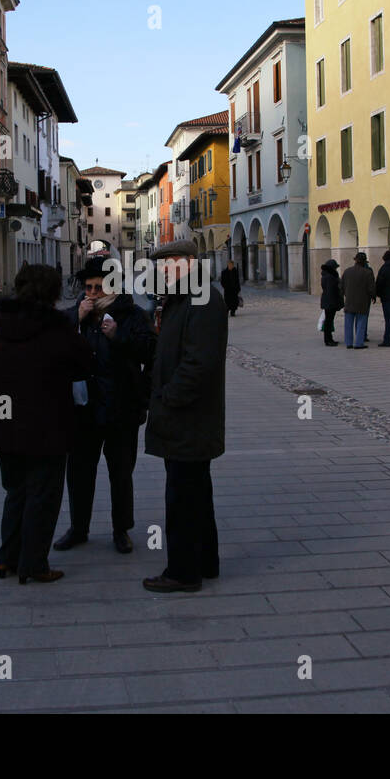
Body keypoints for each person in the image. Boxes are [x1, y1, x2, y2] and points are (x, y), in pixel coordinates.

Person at [0, 264, 93, 584]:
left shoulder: (3, 322)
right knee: (42, 495)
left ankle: (8, 559)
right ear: (52, 292)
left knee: (15, 492)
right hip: (47, 424)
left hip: (7, 421)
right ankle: (34, 563)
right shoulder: (56, 327)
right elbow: (83, 365)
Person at [55, 257, 157, 556]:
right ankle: (78, 528)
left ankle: (121, 529)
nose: (93, 293)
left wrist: (118, 336)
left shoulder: (131, 314)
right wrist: (76, 319)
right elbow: (53, 349)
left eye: (99, 287)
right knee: (78, 472)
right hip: (82, 410)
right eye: (88, 288)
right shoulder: (73, 315)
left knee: (121, 473)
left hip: (121, 407)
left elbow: (151, 351)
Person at [143, 240, 227, 593]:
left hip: (188, 417)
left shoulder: (203, 300)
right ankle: (205, 562)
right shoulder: (183, 299)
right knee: (195, 493)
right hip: (186, 417)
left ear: (189, 263)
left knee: (182, 497)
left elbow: (199, 363)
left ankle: (183, 572)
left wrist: (168, 398)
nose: (162, 270)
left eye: (168, 264)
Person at [340, 252, 376, 349]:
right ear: (364, 262)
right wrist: (373, 296)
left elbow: (341, 287)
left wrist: (344, 295)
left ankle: (348, 343)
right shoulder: (367, 273)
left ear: (355, 260)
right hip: (362, 302)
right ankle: (359, 343)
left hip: (349, 301)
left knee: (348, 323)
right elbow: (371, 288)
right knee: (361, 323)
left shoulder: (347, 271)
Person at [319, 259, 342, 347]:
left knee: (329, 321)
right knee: (328, 321)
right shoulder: (330, 277)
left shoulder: (327, 275)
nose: (336, 269)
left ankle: (329, 339)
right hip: (330, 302)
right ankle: (328, 340)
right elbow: (331, 291)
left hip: (328, 301)